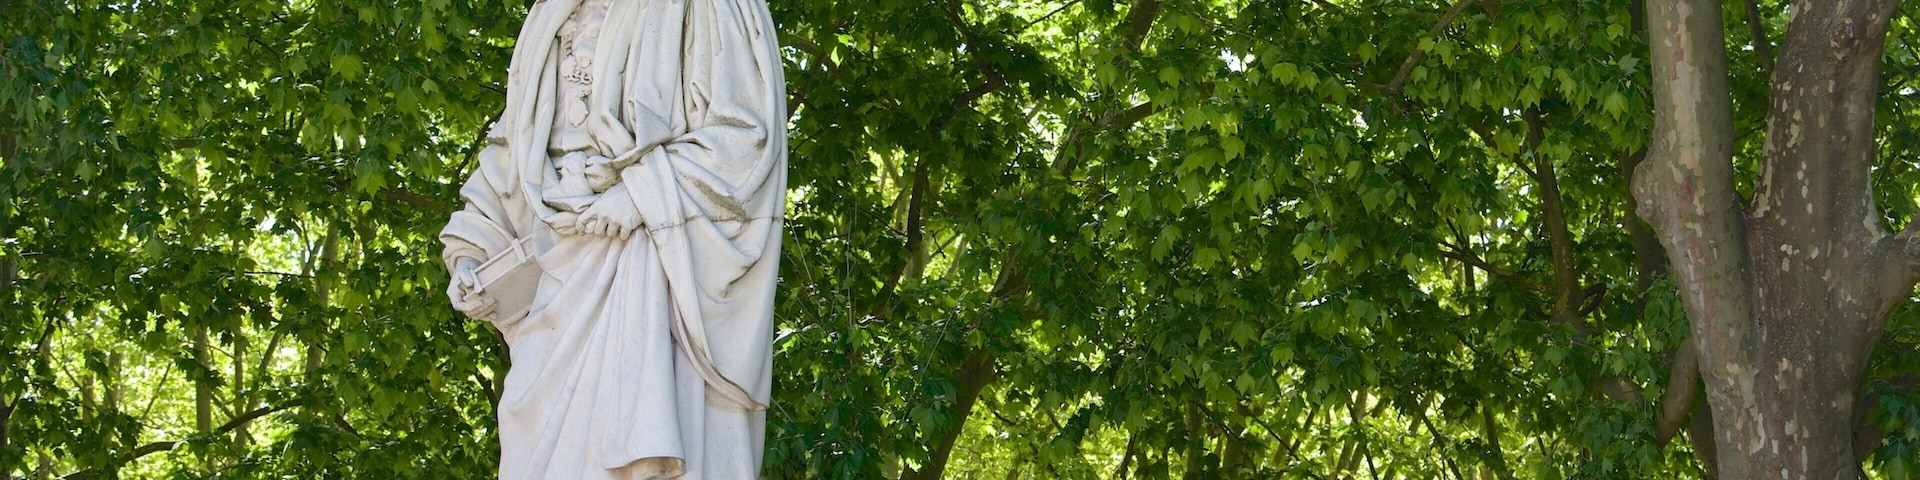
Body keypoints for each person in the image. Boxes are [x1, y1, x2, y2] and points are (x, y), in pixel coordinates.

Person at [438, 0, 786, 477]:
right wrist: (471, 253)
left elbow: (745, 137)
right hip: (558, 273)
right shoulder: (549, 14)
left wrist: (642, 196)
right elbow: (511, 153)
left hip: (653, 271)